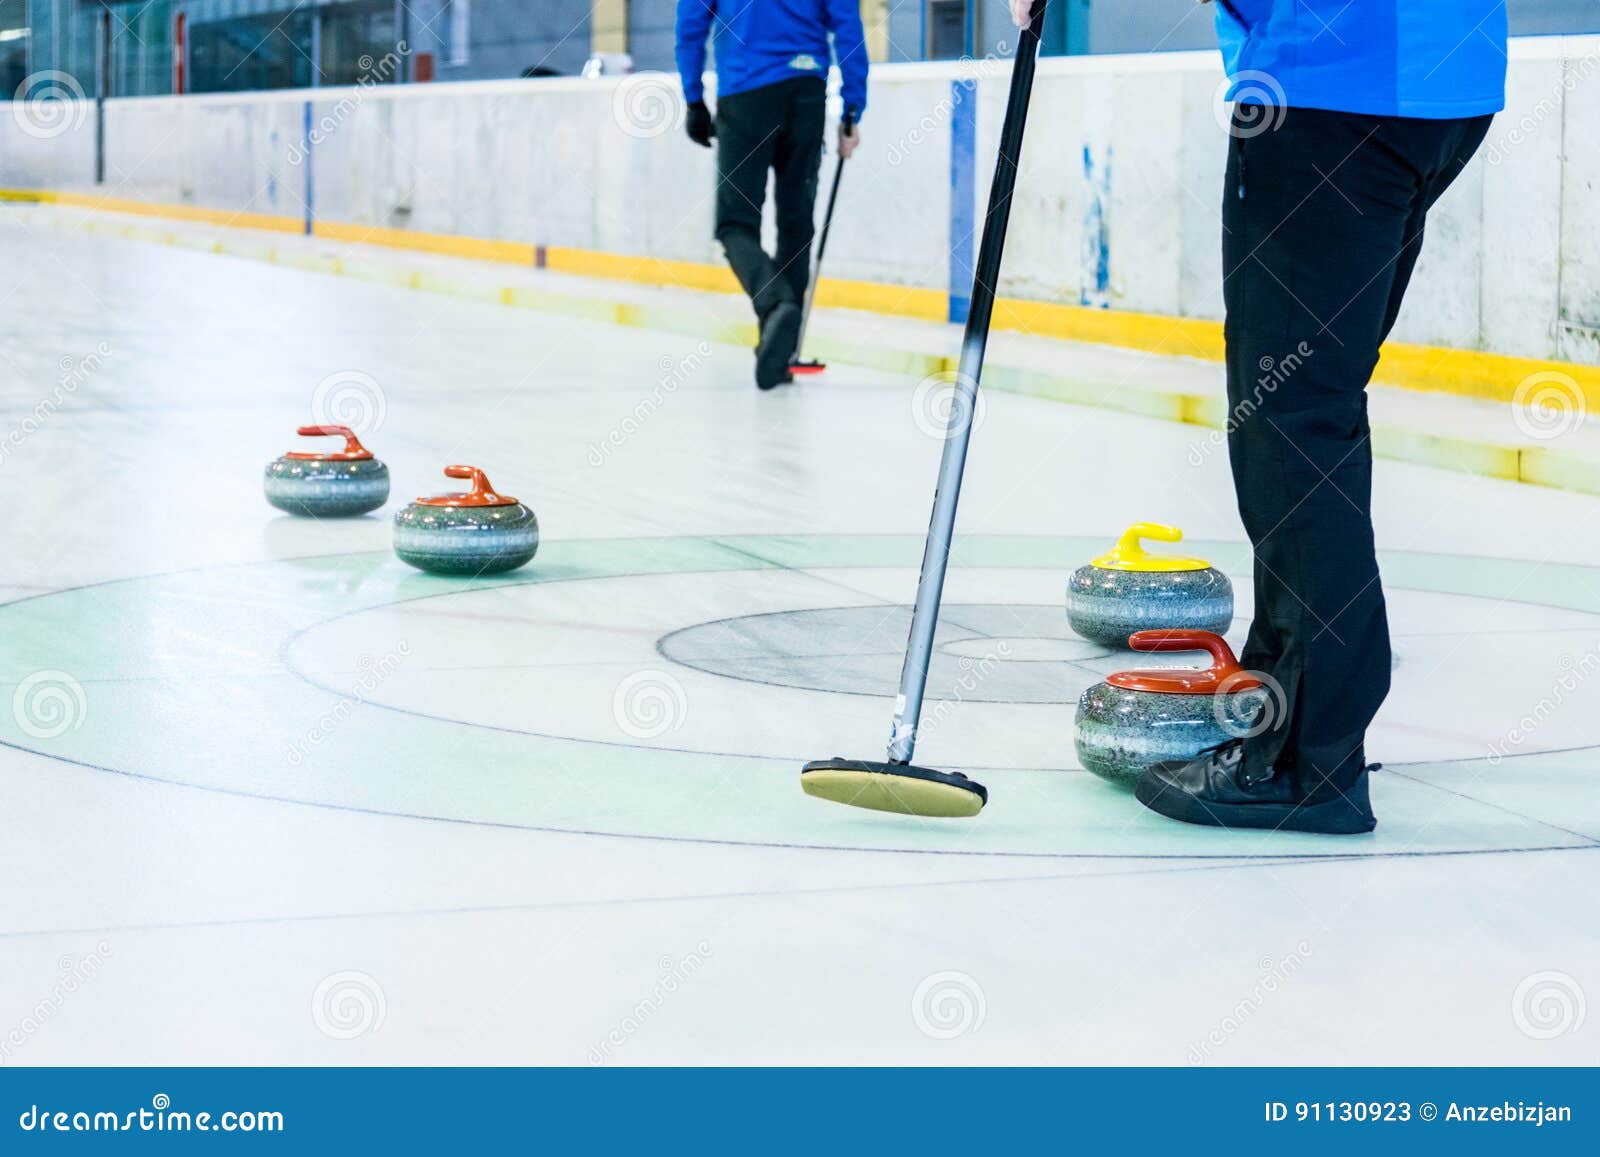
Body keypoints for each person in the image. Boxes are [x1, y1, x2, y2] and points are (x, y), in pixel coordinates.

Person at [1009, 0, 1507, 832]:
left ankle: (1306, 758)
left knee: (1291, 419)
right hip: (1445, 85)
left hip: (1332, 87)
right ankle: (1294, 711)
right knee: (1318, 405)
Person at [675, 0, 868, 390]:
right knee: (796, 220)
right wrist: (852, 107)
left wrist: (693, 98)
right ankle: (779, 352)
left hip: (746, 92)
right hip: (807, 91)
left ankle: (776, 304)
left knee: (735, 223)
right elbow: (848, 25)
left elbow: (691, 26)